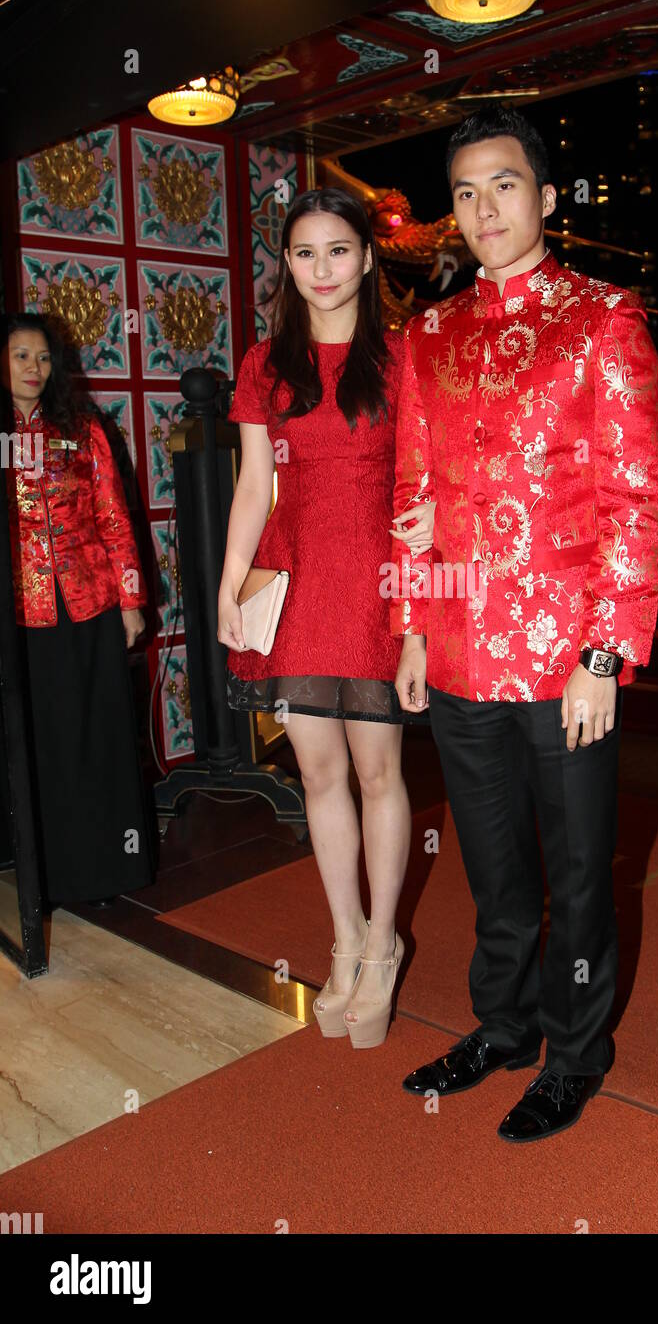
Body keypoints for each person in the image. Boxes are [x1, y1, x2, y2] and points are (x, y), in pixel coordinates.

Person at [391, 106, 658, 1142]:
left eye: (502, 185)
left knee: (579, 875)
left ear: (546, 197)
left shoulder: (602, 320)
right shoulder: (428, 333)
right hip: (458, 651)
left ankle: (574, 1049)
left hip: (565, 662)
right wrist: (412, 625)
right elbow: (411, 491)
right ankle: (501, 1025)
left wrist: (603, 656)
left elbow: (633, 502)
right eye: (463, 193)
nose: (481, 210)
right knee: (493, 868)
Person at [217, 187, 434, 1049]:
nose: (322, 269)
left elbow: (433, 477)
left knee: (379, 772)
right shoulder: (266, 363)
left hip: (378, 585)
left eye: (338, 250)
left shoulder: (407, 356)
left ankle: (385, 941)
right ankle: (345, 939)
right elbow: (252, 485)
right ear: (288, 266)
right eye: (305, 253)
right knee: (316, 774)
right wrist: (232, 586)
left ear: (368, 257)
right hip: (298, 581)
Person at [1, 311, 154, 909]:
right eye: (20, 356)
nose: (34, 369)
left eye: (42, 358)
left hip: (89, 608)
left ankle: (105, 872)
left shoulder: (84, 429)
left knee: (97, 738)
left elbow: (115, 518)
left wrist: (132, 601)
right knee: (40, 744)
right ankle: (43, 877)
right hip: (20, 618)